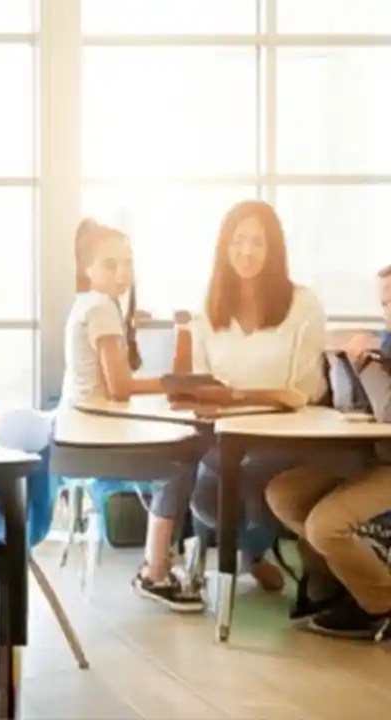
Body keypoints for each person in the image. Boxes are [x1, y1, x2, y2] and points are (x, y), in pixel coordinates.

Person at [189, 200, 336, 592]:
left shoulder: (303, 304)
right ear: (224, 247)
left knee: (252, 481)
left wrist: (240, 395)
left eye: (258, 242)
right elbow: (198, 381)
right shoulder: (205, 308)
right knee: (205, 491)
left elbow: (305, 391)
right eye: (238, 241)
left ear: (274, 250)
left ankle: (252, 552)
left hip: (286, 436)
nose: (247, 251)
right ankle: (252, 554)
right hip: (223, 434)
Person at [59, 219, 202, 611]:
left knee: (173, 453)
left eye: (128, 263)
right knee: (179, 465)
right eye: (110, 265)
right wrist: (178, 384)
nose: (122, 273)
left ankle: (167, 562)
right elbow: (120, 387)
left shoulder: (87, 305)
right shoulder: (102, 307)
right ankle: (154, 573)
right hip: (91, 438)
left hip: (74, 434)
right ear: (86, 269)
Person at [265, 264, 391, 638]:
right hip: (373, 458)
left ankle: (380, 604)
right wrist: (344, 363)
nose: (390, 310)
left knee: (327, 526)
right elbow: (358, 409)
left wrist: (367, 365)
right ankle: (345, 585)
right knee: (284, 493)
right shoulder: (384, 342)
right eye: (386, 302)